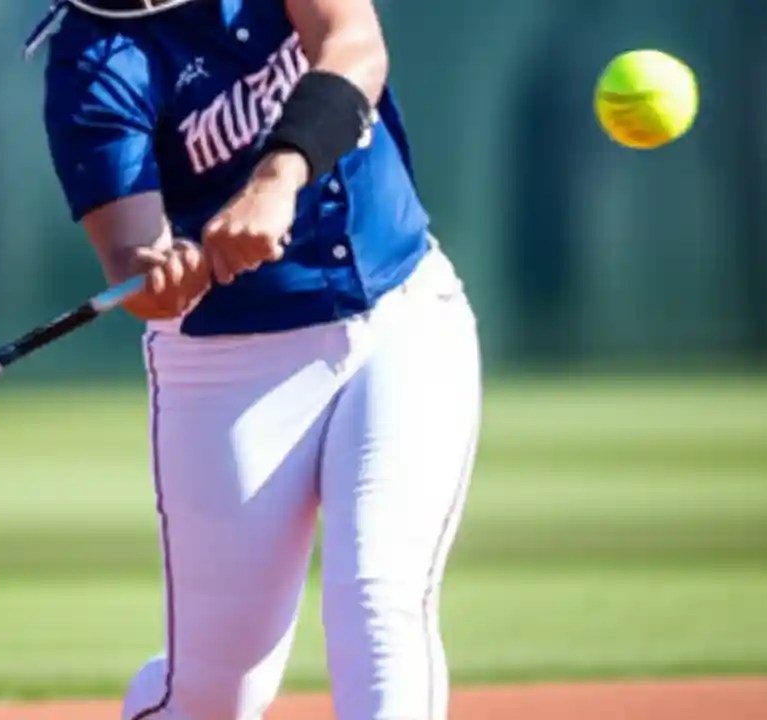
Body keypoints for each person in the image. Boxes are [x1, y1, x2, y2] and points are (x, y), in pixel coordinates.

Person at [29, 1, 481, 718]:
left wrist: (275, 180)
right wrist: (162, 272)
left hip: (404, 319)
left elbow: (354, 45)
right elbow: (132, 259)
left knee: (381, 601)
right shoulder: (93, 62)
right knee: (215, 695)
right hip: (226, 367)